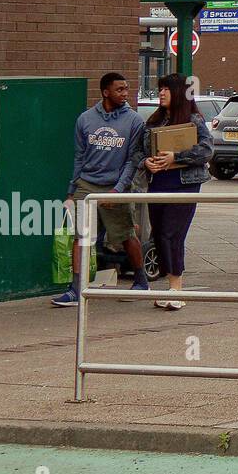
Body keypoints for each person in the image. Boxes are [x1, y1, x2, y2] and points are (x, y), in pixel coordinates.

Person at [53, 73, 147, 306]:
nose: (125, 94)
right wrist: (71, 190)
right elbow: (79, 157)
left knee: (125, 234)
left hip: (115, 185)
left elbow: (132, 160)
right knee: (82, 237)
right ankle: (76, 289)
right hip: (87, 184)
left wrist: (118, 189)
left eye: (126, 89)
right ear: (106, 92)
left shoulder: (135, 121)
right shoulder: (85, 119)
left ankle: (141, 280)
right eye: (119, 90)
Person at [130, 74, 212, 311]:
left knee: (171, 233)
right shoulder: (154, 121)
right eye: (160, 88)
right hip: (157, 183)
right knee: (158, 234)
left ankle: (177, 288)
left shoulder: (193, 120)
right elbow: (136, 152)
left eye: (167, 89)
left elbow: (207, 151)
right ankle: (170, 286)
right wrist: (146, 162)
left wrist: (176, 157)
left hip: (184, 183)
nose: (162, 93)